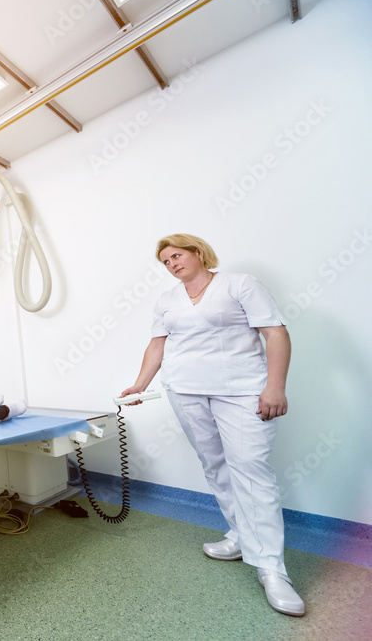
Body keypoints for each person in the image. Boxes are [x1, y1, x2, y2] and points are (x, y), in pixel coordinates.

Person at [121, 234, 302, 616]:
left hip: (242, 391)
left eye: (176, 256)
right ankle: (239, 535)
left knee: (251, 469)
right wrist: (140, 384)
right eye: (165, 261)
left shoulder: (240, 284)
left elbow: (275, 333)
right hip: (185, 391)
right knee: (215, 465)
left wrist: (275, 387)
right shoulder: (167, 300)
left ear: (197, 253)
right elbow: (158, 345)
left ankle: (271, 567)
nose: (171, 264)